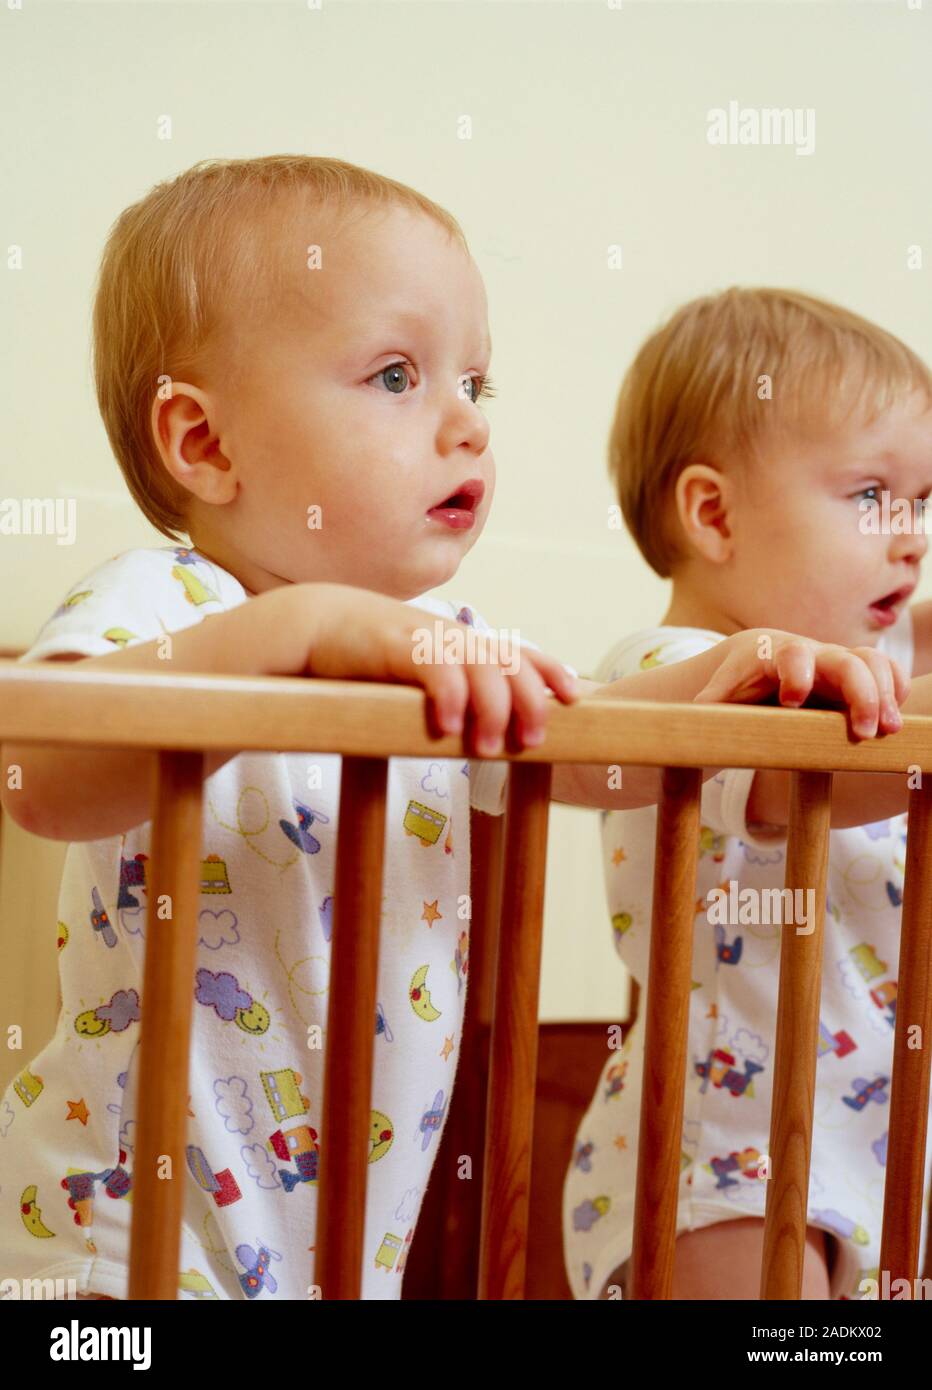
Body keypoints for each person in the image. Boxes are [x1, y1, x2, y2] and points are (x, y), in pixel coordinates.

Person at [0, 166, 903, 1301]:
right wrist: (299, 629)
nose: (467, 421)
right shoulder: (172, 600)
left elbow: (582, 751)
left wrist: (724, 681)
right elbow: (37, 771)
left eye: (475, 380)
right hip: (119, 1237)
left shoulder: (445, 644)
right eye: (395, 374)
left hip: (336, 1249)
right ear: (203, 441)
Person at [563, 286, 932, 1301]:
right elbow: (814, 776)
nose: (906, 536)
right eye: (868, 497)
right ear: (713, 514)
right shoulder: (679, 667)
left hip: (848, 1148)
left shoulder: (850, 669)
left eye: (920, 503)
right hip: (719, 1163)